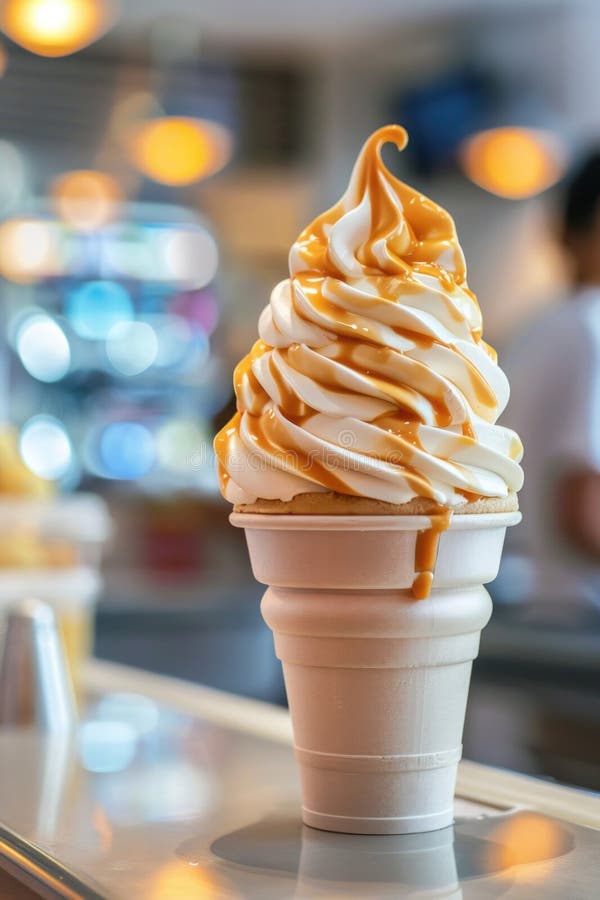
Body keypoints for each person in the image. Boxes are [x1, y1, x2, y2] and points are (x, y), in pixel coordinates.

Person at [502, 153, 600, 611]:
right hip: (578, 613)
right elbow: (583, 513)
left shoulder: (538, 328)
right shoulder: (589, 326)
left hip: (535, 607)